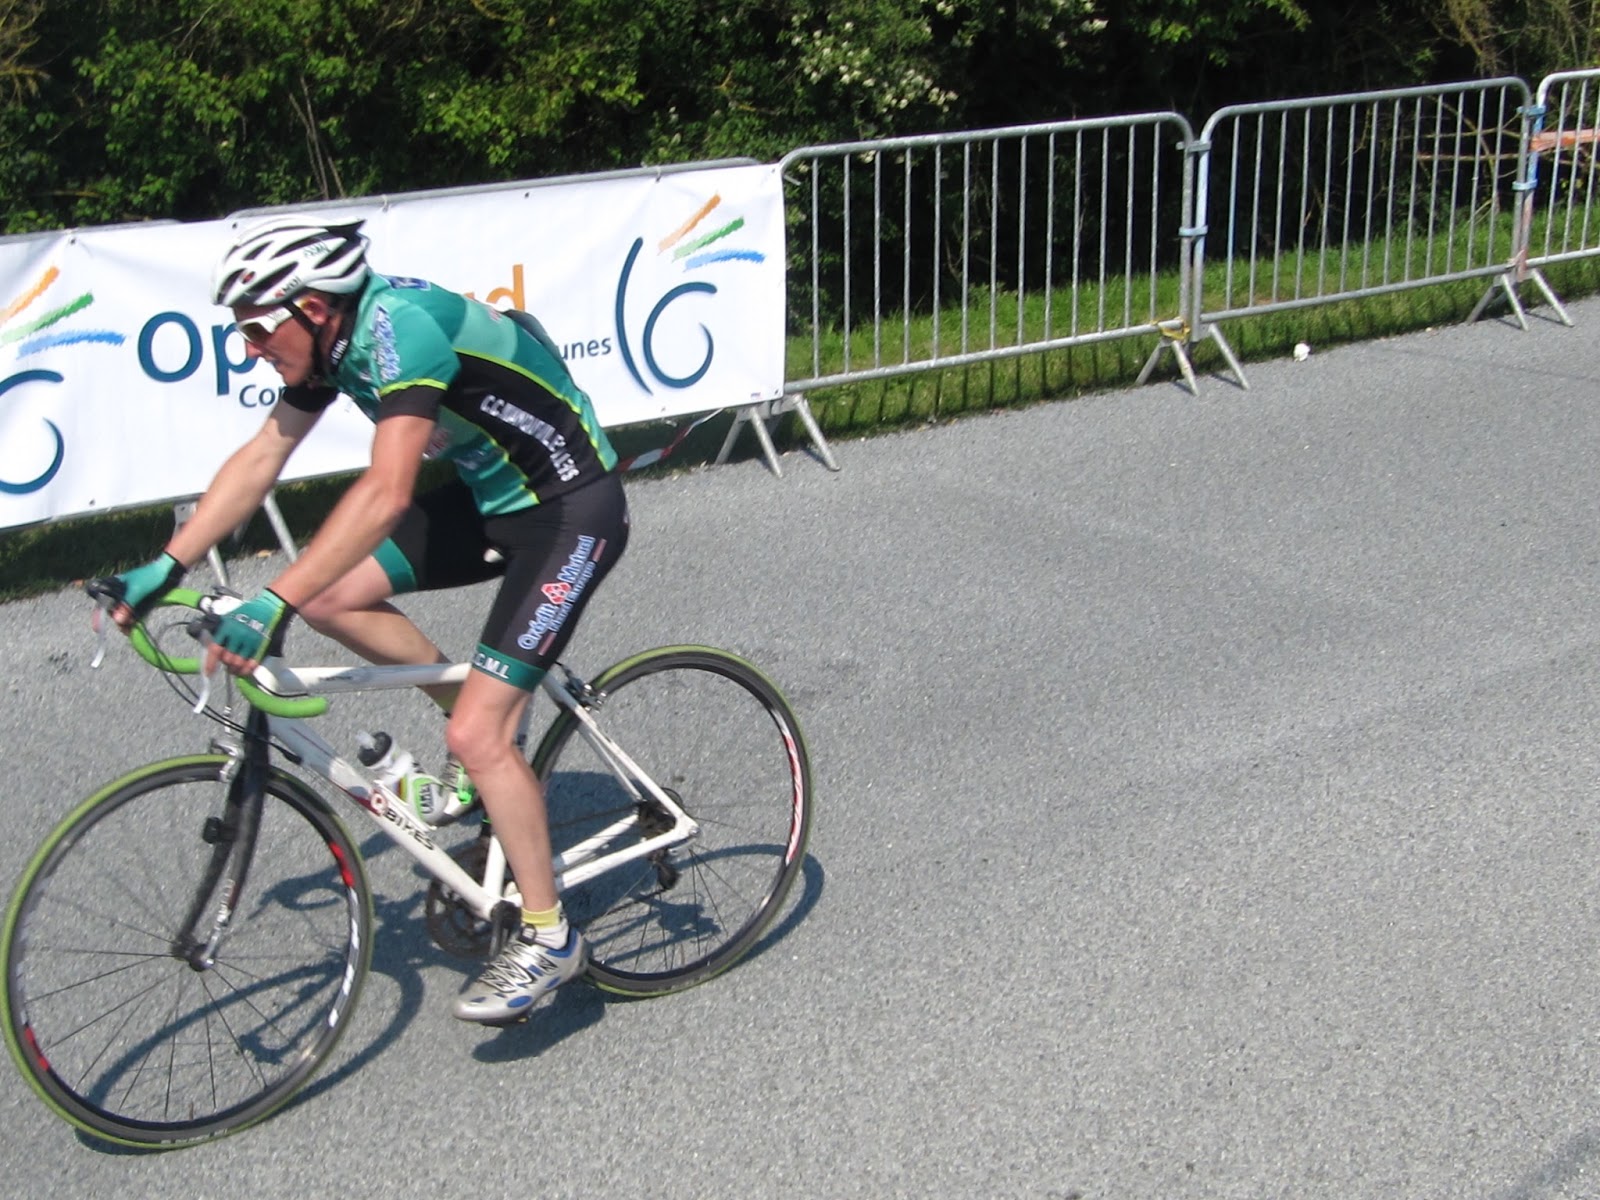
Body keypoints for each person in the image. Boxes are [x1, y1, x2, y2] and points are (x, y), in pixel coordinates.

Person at [107, 216, 629, 1024]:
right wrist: (168, 564)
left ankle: (549, 934)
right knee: (330, 597)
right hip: (492, 498)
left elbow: (386, 494)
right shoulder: (334, 343)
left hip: (570, 510)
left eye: (257, 328)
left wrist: (271, 599)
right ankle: (484, 739)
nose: (249, 347)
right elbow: (263, 455)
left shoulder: (400, 331)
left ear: (313, 307)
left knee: (475, 734)